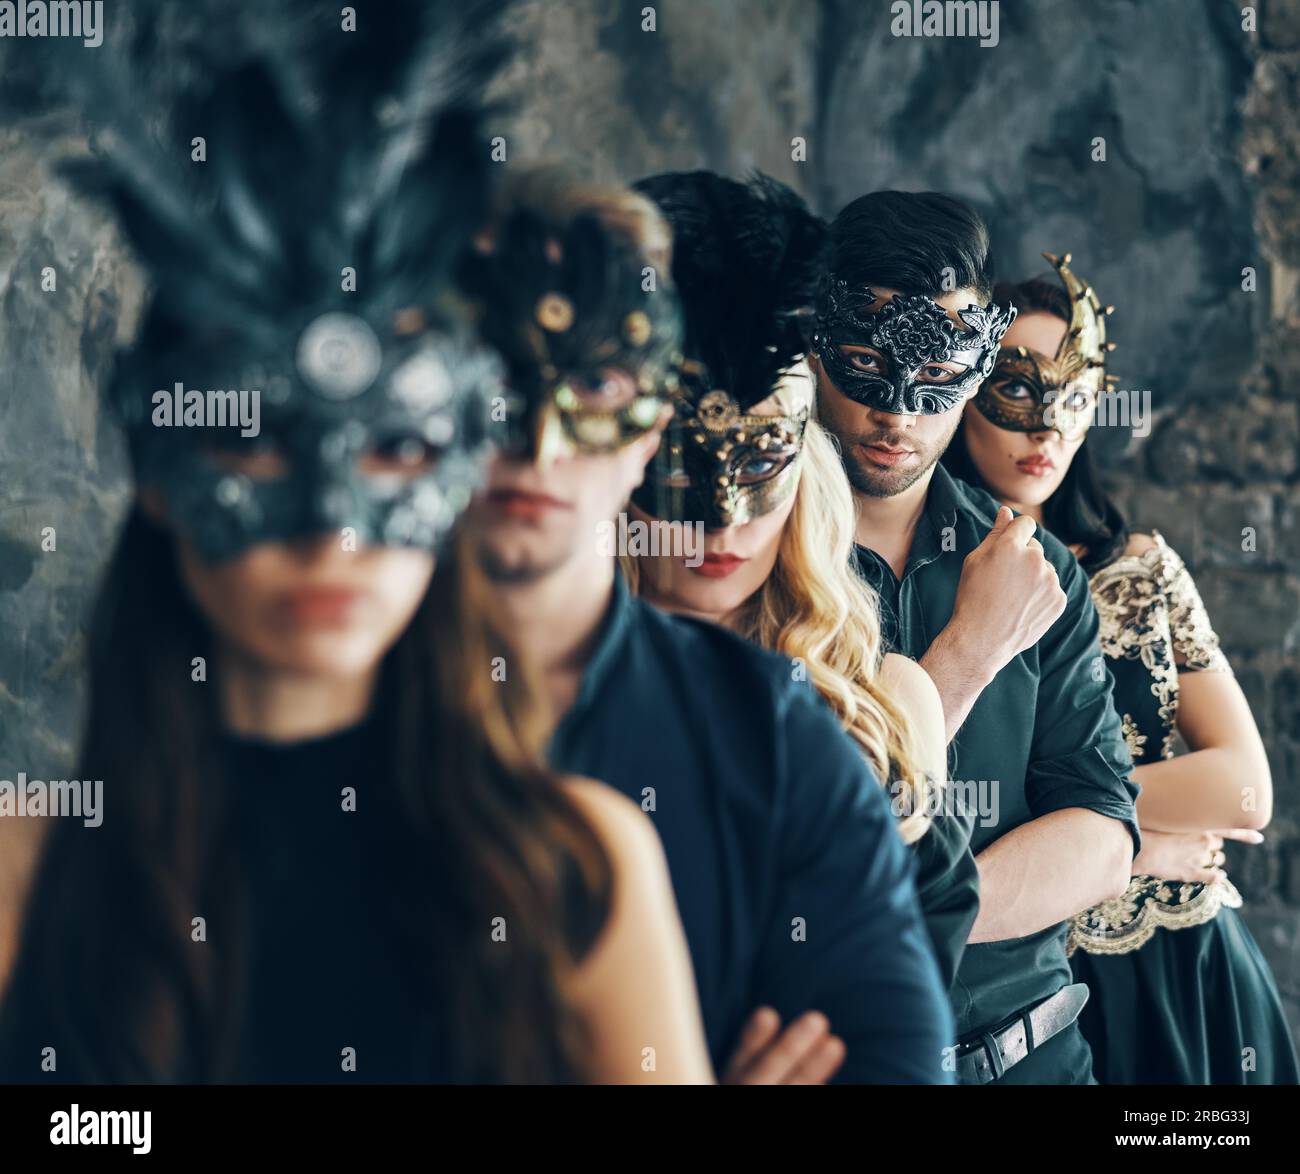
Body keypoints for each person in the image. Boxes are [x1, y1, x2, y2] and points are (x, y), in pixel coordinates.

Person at [0, 0, 712, 1085]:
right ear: (157, 459)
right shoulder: (23, 877)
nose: (332, 530)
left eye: (393, 447)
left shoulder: (578, 870)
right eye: (253, 442)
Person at [462, 168, 956, 1084]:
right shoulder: (327, 693)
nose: (722, 520)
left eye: (594, 386)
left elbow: (899, 1055)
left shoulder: (780, 731)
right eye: (498, 389)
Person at [942, 251, 1300, 1084]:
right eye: (1018, 390)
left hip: (1190, 966)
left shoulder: (1141, 568)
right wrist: (1143, 845)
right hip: (1036, 999)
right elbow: (948, 819)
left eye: (1072, 397)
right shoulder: (924, 576)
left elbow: (1245, 788)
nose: (1047, 427)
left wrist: (1088, 826)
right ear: (960, 392)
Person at [811, 190, 1140, 1084]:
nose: (901, 412)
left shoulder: (1033, 569)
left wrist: (920, 914)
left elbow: (1106, 834)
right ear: (816, 342)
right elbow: (811, 848)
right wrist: (970, 650)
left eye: (939, 375)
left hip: (1040, 1056)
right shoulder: (753, 573)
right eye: (867, 365)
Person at [624, 169, 979, 993]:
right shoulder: (539, 689)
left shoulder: (886, 704)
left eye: (757, 459)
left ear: (800, 465)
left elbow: (906, 1000)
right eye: (684, 468)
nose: (720, 523)